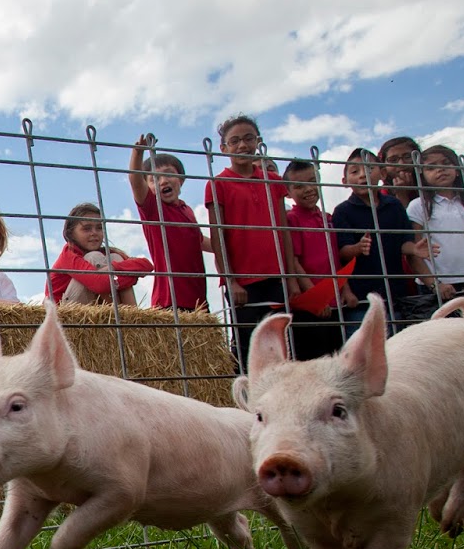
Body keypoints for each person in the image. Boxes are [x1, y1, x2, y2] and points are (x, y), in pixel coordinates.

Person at [204, 114, 302, 371]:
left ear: (258, 141)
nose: (242, 146)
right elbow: (218, 236)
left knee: (281, 345)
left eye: (248, 138)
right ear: (224, 148)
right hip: (243, 282)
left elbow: (283, 230)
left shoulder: (273, 181)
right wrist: (231, 279)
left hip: (277, 277)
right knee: (247, 347)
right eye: (234, 141)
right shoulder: (218, 184)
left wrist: (290, 277)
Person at [331, 148, 432, 340]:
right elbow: (341, 252)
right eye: (355, 172)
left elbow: (403, 242)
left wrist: (415, 249)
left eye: (369, 169)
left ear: (382, 173)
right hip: (362, 297)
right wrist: (358, 248)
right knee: (364, 354)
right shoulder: (343, 211)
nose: (363, 175)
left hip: (395, 293)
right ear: (345, 182)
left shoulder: (393, 205)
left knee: (397, 350)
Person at [406, 144, 464, 320]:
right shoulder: (418, 205)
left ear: (457, 169)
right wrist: (434, 284)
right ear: (422, 174)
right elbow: (414, 252)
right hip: (438, 286)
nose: (440, 170)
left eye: (446, 163)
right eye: (431, 167)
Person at [128, 134, 210, 310]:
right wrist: (138, 153)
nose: (163, 181)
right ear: (148, 187)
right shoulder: (153, 209)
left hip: (198, 299)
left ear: (181, 179)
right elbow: (135, 180)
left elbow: (199, 240)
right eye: (154, 178)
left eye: (168, 174)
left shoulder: (186, 210)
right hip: (170, 299)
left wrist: (229, 244)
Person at [279, 158, 349, 359]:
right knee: (314, 360)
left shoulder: (327, 218)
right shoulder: (292, 219)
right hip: (310, 304)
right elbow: (294, 260)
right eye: (299, 186)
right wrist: (314, 296)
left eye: (312, 181)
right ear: (288, 191)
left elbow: (336, 259)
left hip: (334, 303)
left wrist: (346, 290)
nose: (308, 189)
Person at [47, 202, 151, 305]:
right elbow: (100, 285)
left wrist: (113, 267)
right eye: (87, 228)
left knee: (115, 257)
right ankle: (123, 317)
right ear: (71, 234)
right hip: (63, 313)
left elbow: (147, 265)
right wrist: (130, 277)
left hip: (93, 306)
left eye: (99, 228)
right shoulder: (69, 255)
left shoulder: (105, 252)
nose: (94, 233)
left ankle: (130, 317)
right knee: (93, 257)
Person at [378, 136, 423, 208]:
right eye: (393, 160)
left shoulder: (432, 187)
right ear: (383, 167)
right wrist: (401, 195)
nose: (401, 163)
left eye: (407, 157)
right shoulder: (378, 196)